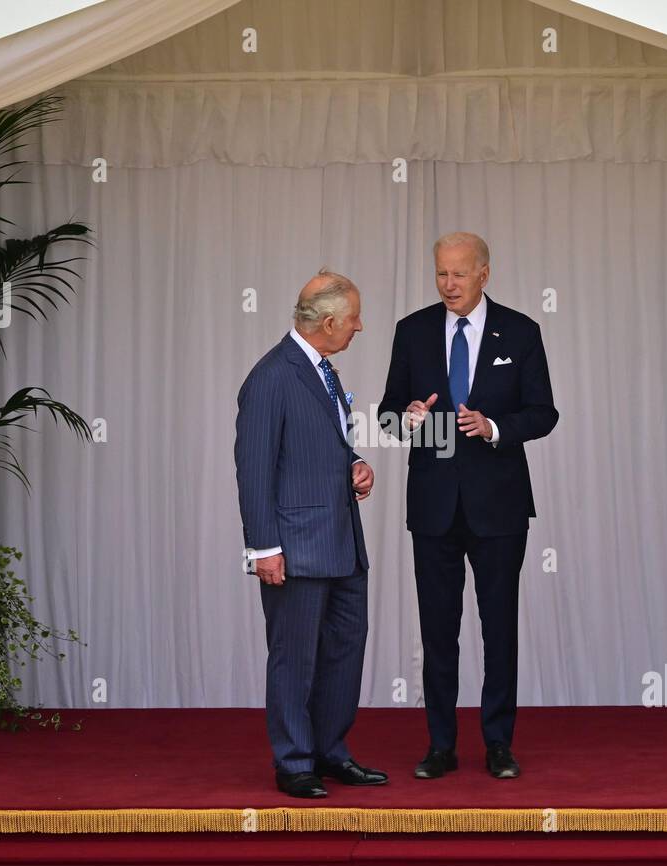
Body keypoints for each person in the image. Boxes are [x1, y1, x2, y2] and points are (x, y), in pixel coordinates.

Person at [379, 232, 558, 779]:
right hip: (433, 505)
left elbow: (544, 414)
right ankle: (441, 745)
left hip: (498, 508)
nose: (448, 285)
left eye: (458, 274)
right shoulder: (411, 331)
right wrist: (406, 415)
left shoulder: (522, 332)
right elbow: (387, 415)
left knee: (499, 625)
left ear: (484, 273)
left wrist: (495, 426)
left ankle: (499, 744)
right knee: (438, 629)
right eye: (440, 274)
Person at [234, 269, 386, 798]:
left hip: (343, 543)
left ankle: (330, 752)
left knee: (345, 652)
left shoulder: (323, 370)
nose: (360, 327)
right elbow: (253, 469)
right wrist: (264, 549)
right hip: (295, 548)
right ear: (328, 322)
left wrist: (355, 464)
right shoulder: (271, 377)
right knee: (295, 657)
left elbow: (324, 444)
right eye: (354, 319)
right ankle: (294, 762)